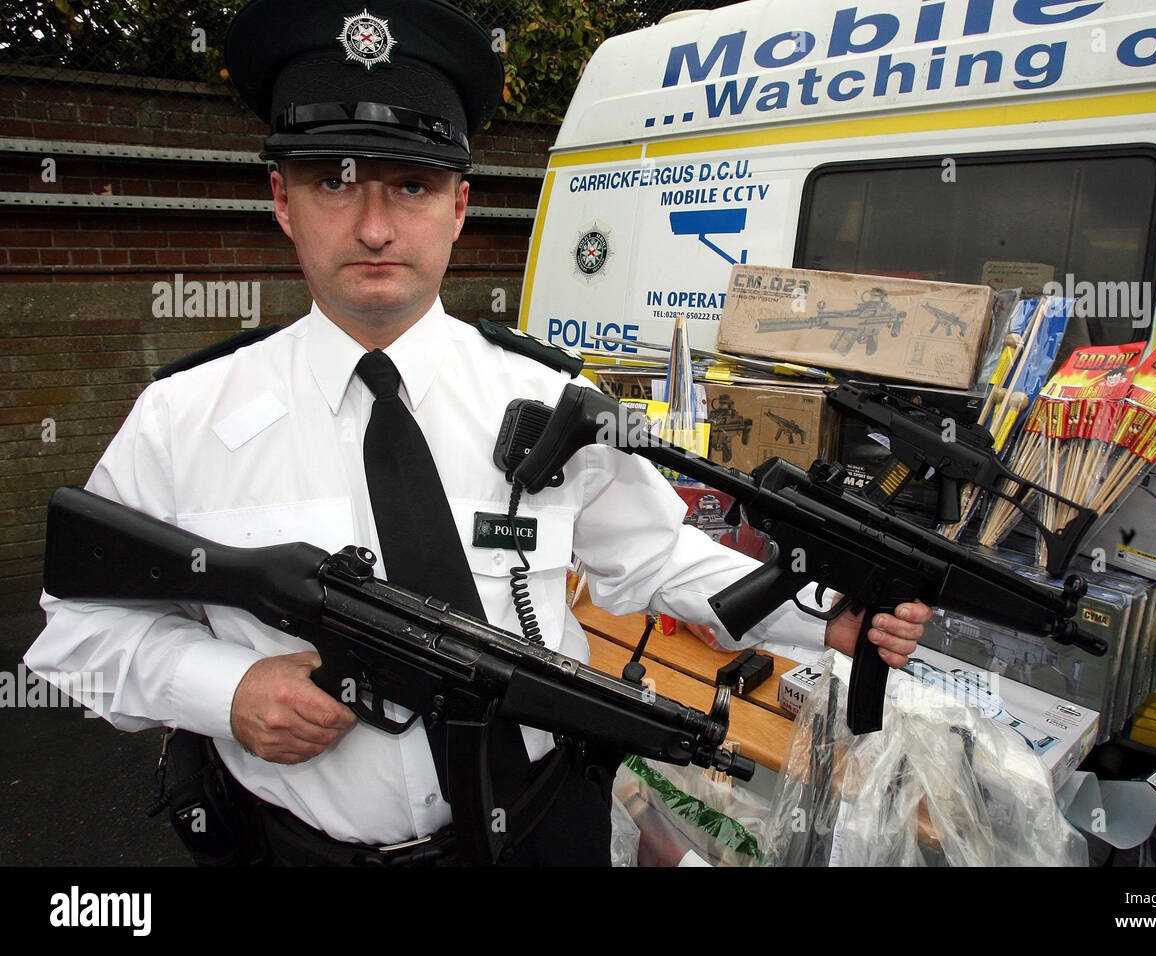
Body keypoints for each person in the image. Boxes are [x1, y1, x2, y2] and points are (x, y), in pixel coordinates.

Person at [26, 0, 929, 866]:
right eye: (333, 181)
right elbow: (75, 635)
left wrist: (827, 619)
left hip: (543, 828)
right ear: (281, 200)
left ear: (459, 207)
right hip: (299, 848)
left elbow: (655, 558)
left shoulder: (551, 396)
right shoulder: (183, 416)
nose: (375, 224)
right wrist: (225, 691)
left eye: (412, 186)